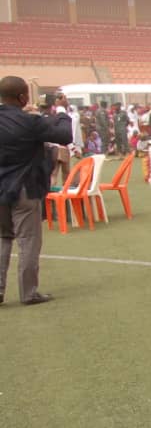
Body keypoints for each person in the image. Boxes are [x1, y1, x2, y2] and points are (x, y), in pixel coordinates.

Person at [0, 77, 73, 305]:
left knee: (3, 238)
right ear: (23, 96)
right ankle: (28, 292)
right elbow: (64, 135)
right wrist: (61, 111)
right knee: (28, 241)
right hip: (23, 187)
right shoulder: (29, 122)